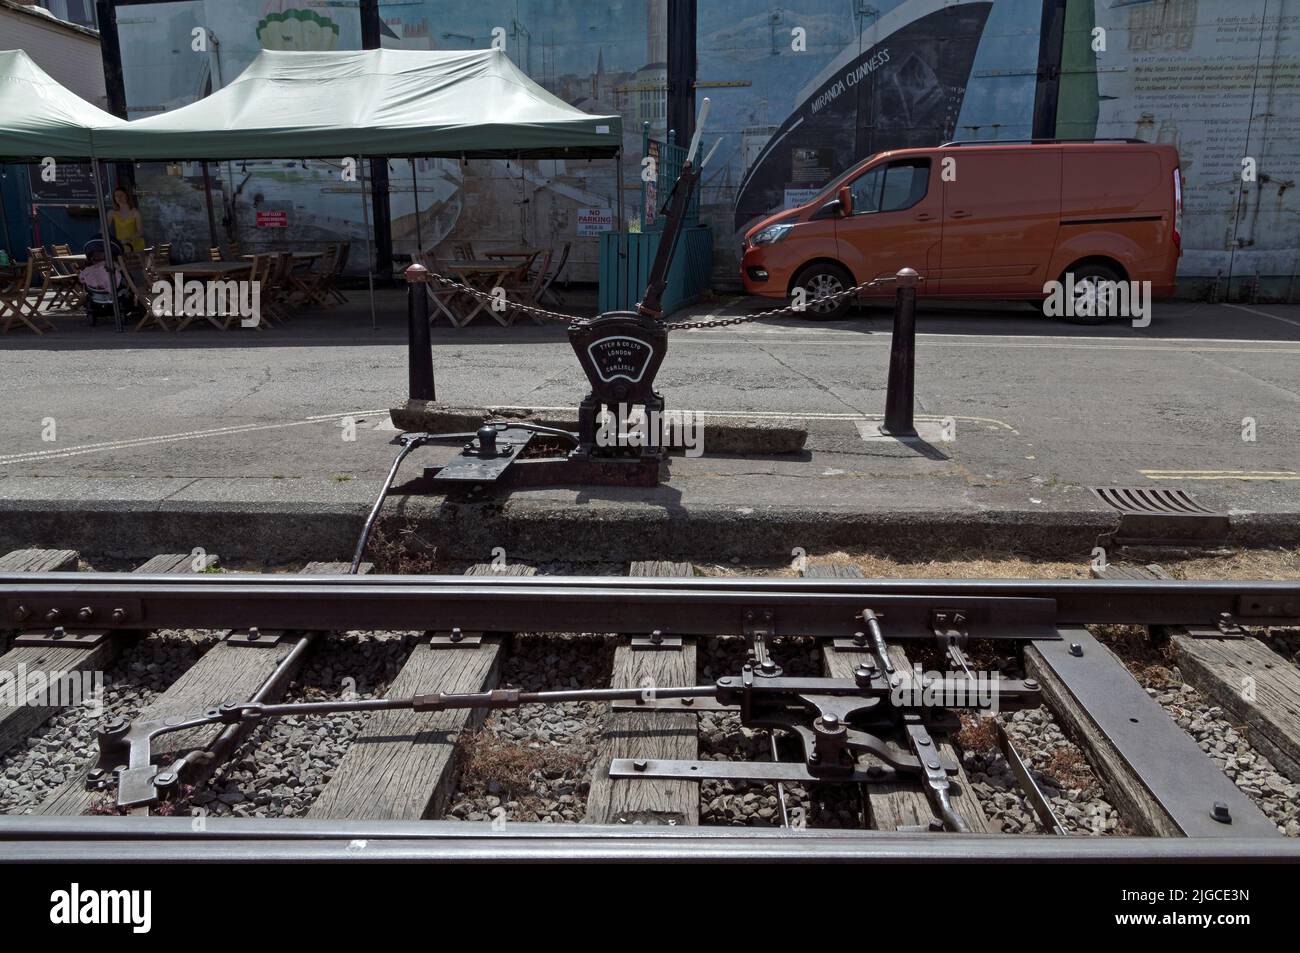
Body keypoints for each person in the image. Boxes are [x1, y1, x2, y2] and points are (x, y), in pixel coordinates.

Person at [80, 239, 135, 326]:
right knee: (95, 274)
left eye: (101, 253)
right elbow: (122, 270)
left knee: (107, 275)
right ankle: (99, 284)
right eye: (96, 254)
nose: (98, 256)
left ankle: (100, 285)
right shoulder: (91, 267)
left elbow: (120, 269)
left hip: (103, 282)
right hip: (102, 283)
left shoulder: (111, 264)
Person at [108, 186, 146, 253]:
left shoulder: (135, 212)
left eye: (121, 195)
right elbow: (103, 229)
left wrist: (129, 239)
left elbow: (140, 231)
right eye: (116, 196)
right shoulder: (112, 213)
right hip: (121, 246)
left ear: (127, 196)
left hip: (135, 246)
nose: (119, 198)